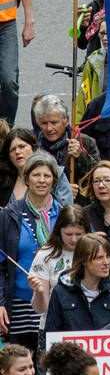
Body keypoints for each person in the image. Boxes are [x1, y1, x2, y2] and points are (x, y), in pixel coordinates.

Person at [0, 150, 67, 350]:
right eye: (36, 175)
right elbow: (1, 265)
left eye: (47, 175)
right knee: (23, 365)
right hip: (20, 302)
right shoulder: (10, 215)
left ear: (54, 180)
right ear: (26, 178)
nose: (41, 180)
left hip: (57, 302)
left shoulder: (64, 214)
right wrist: (1, 302)